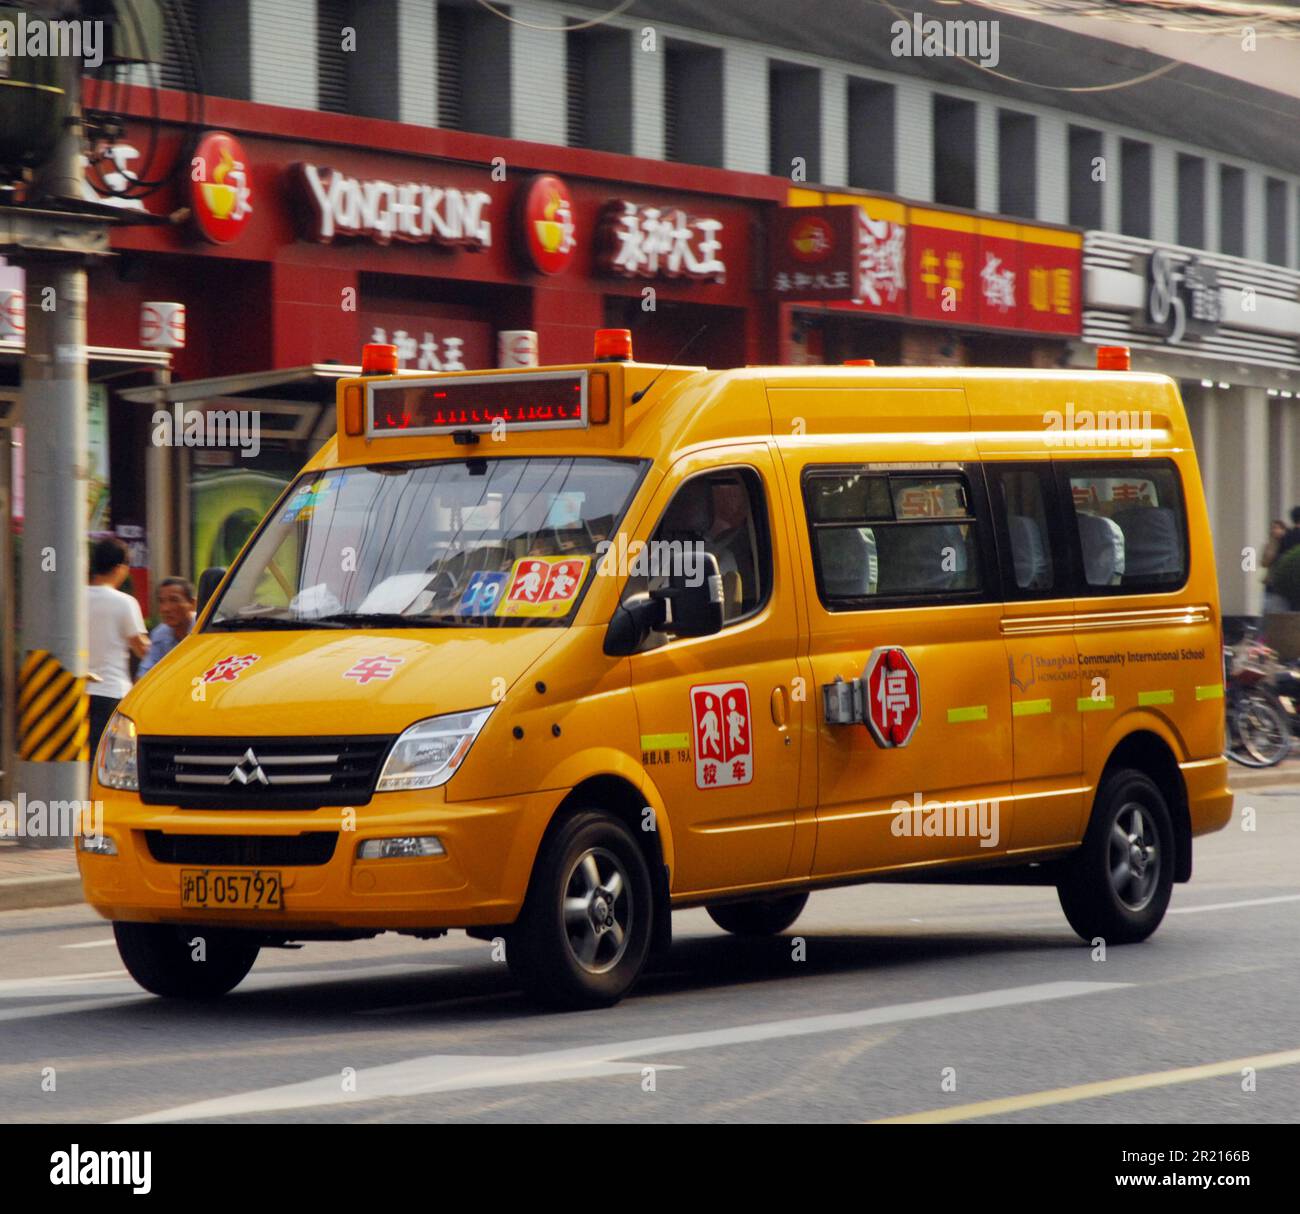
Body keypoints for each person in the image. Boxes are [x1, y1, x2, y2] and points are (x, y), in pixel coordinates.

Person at [87, 538, 149, 761]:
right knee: (108, 758)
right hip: (111, 691)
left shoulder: (75, 599)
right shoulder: (124, 602)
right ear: (120, 568)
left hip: (78, 693)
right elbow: (141, 648)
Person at [138, 577, 197, 677]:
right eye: (161, 601)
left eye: (174, 600)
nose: (165, 608)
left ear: (192, 604)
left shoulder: (207, 630)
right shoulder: (160, 634)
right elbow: (146, 672)